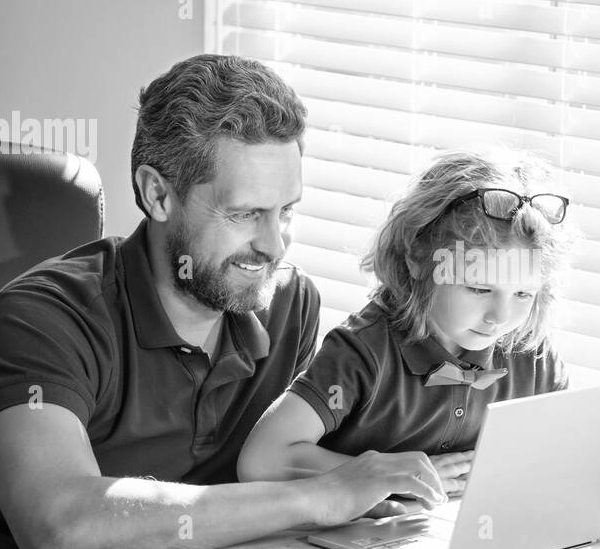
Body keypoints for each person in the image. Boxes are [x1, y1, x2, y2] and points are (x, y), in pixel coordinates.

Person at [0, 54, 444, 549]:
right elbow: (60, 524)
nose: (273, 244)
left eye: (287, 212)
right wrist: (318, 497)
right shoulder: (40, 320)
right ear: (157, 194)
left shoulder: (288, 308)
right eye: (244, 214)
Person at [237, 149, 576, 505]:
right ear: (416, 258)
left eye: (523, 293)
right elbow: (262, 460)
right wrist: (391, 477)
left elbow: (567, 458)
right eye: (478, 288)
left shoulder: (529, 351)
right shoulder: (365, 351)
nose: (499, 317)